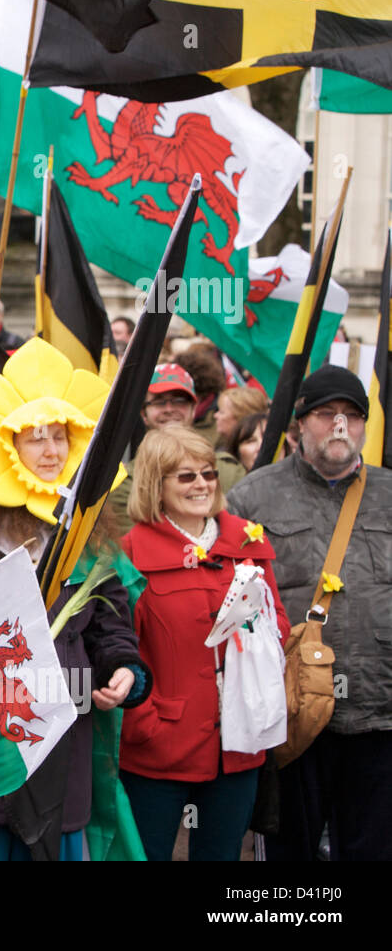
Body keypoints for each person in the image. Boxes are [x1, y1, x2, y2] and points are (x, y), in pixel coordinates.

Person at [0, 337, 150, 860]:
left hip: (64, 742)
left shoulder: (86, 533)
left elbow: (109, 623)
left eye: (61, 440)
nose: (52, 453)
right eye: (36, 440)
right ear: (7, 448)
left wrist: (122, 667)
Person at [227, 364, 392, 861]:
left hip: (380, 713)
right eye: (326, 414)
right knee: (290, 856)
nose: (340, 427)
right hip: (292, 713)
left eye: (352, 415)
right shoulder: (251, 496)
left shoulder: (390, 494)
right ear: (299, 424)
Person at [119, 426, 287, 860]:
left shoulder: (248, 542)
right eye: (186, 476)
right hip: (158, 748)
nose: (202, 485)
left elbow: (279, 626)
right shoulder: (130, 552)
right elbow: (121, 648)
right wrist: (145, 723)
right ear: (156, 484)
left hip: (239, 743)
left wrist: (256, 637)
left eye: (208, 474)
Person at [109, 363, 244, 533]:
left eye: (179, 401)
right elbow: (134, 545)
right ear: (144, 413)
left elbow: (240, 532)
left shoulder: (227, 470)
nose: (169, 409)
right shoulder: (123, 482)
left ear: (194, 409)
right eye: (159, 402)